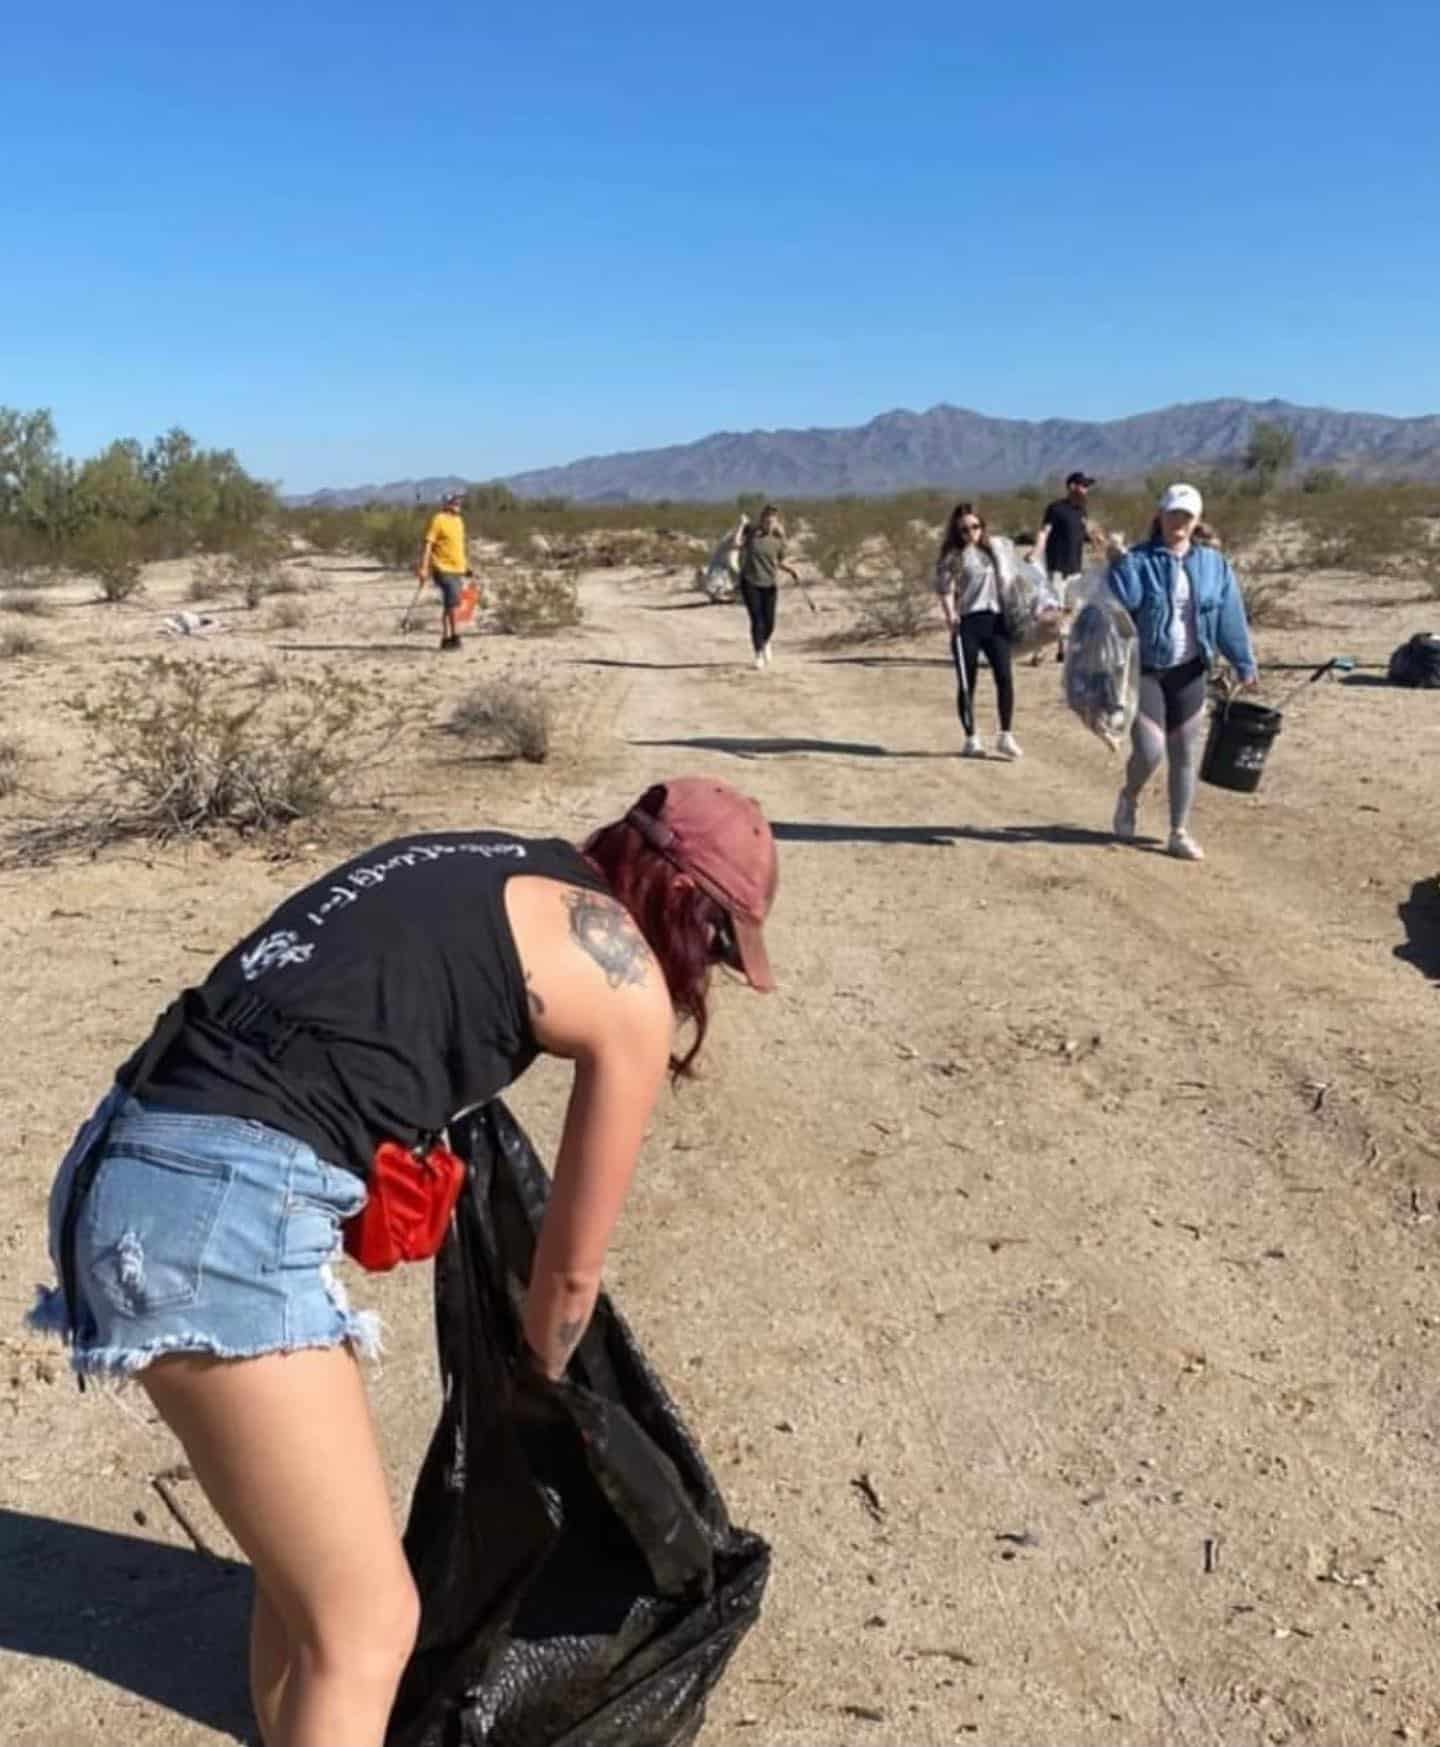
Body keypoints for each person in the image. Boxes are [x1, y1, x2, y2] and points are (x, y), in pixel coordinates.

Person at [28, 779, 779, 1747]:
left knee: (314, 1584)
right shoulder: (621, 972)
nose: (704, 971)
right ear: (688, 907)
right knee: (370, 1625)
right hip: (217, 1214)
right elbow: (569, 1274)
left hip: (125, 1161)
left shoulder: (469, 857)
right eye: (718, 943)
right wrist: (541, 1390)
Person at [1106, 483, 1258, 861]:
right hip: (1146, 670)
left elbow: (1229, 617)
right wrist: (1118, 564)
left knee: (1185, 754)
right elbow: (1124, 603)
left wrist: (1244, 662)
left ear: (1196, 521)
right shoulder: (1140, 560)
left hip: (1191, 671)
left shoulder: (1213, 565)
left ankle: (1178, 831)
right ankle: (1129, 796)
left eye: (1186, 516)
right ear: (1160, 516)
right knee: (1150, 750)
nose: (1179, 522)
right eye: (1173, 514)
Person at [935, 502, 1022, 759]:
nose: (971, 532)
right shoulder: (952, 557)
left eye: (975, 526)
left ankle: (1006, 735)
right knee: (966, 682)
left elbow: (1013, 574)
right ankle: (971, 738)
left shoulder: (995, 551)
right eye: (964, 529)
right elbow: (945, 590)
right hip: (967, 622)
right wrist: (950, 616)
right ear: (956, 531)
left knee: (1004, 677)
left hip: (996, 620)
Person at [1030, 471, 1095, 662]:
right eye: (1083, 485)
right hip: (1057, 568)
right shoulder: (1055, 509)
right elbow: (1044, 532)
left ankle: (1063, 649)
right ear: (1072, 486)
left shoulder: (1082, 512)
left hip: (1075, 570)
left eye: (1087, 486)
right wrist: (1036, 551)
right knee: (1051, 610)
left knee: (1069, 610)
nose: (1086, 489)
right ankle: (1040, 650)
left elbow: (1086, 537)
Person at [737, 504, 799, 670]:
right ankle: (758, 654)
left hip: (770, 583)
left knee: (770, 622)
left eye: (772, 521)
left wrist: (791, 570)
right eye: (766, 520)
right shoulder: (751, 535)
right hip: (750, 581)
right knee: (757, 619)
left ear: (777, 522)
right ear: (761, 521)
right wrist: (741, 525)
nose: (769, 524)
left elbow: (780, 561)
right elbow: (736, 544)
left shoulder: (778, 541)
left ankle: (765, 641)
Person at [417, 489, 471, 652]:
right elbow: (428, 544)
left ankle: (445, 639)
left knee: (450, 604)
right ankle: (455, 637)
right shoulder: (438, 520)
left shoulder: (459, 521)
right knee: (454, 604)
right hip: (443, 569)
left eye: (460, 501)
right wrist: (424, 568)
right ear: (447, 503)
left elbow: (459, 546)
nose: (459, 503)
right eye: (455, 501)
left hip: (458, 569)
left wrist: (467, 566)